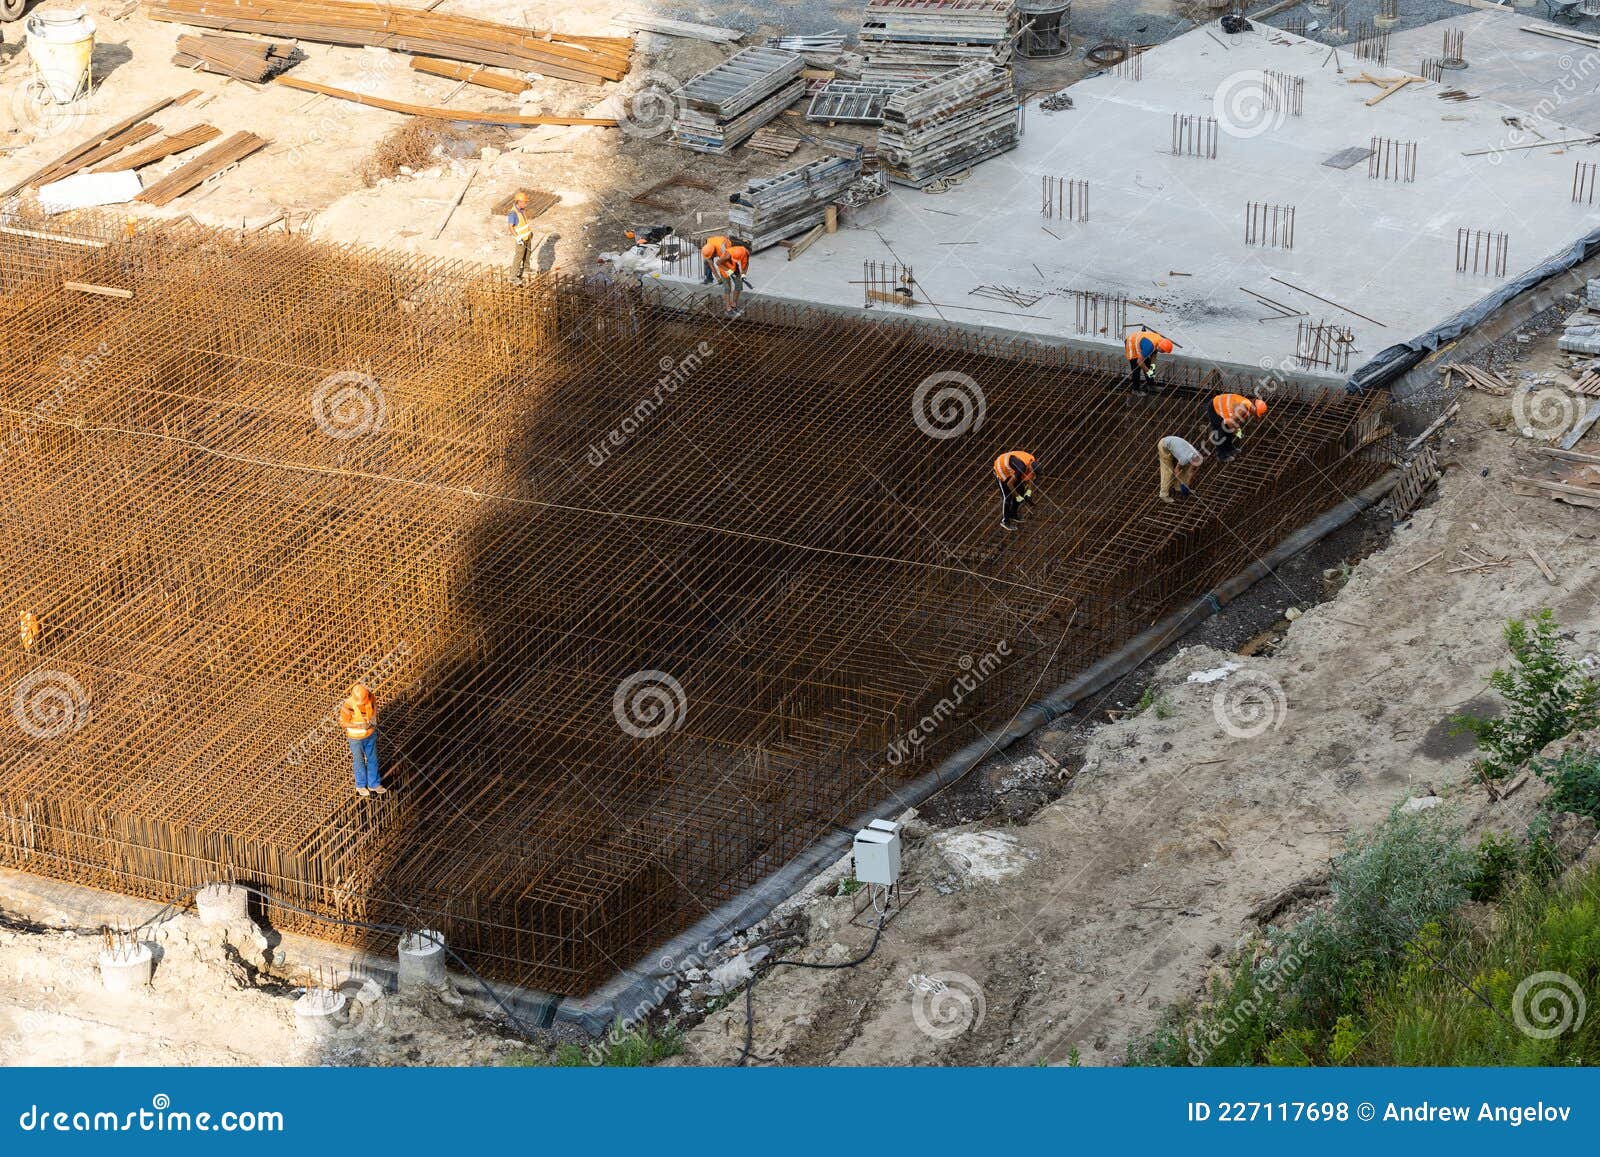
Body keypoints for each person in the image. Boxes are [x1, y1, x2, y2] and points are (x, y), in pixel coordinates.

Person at [338, 683, 387, 798]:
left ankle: (374, 784)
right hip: (355, 738)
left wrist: (373, 719)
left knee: (373, 759)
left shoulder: (370, 697)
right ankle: (360, 785)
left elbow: (374, 706)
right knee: (359, 761)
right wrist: (359, 726)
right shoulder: (348, 705)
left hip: (370, 734)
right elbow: (343, 723)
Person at [1207, 393, 1268, 462]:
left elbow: (1234, 420)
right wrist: (1238, 432)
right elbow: (1230, 422)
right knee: (1221, 432)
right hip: (1214, 408)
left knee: (1228, 429)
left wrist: (1236, 428)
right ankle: (1221, 455)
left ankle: (1229, 448)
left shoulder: (1248, 405)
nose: (1256, 416)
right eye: (1256, 414)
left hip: (1222, 405)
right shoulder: (1243, 409)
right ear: (1254, 408)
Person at [993, 450, 1037, 531]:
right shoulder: (1021, 468)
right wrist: (1017, 496)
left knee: (1021, 490)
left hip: (1012, 468)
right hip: (1001, 468)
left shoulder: (1032, 463)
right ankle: (1005, 521)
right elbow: (1009, 484)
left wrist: (1029, 492)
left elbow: (1031, 478)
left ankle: (1013, 514)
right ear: (1031, 468)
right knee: (1008, 497)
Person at [1124, 329, 1174, 393]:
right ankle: (1135, 389)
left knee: (1147, 364)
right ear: (1160, 347)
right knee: (1136, 368)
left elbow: (1154, 354)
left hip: (1141, 342)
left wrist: (1152, 368)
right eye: (1163, 351)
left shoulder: (1160, 341)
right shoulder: (1149, 346)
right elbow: (1139, 362)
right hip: (1131, 342)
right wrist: (1148, 371)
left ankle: (1151, 385)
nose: (1163, 352)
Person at [1157, 435, 1204, 503]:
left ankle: (1178, 487)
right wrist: (1182, 483)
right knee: (1168, 471)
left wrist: (1186, 484)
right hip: (1164, 445)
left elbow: (1190, 471)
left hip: (1175, 443)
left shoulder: (1196, 454)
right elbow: (1176, 470)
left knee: (1186, 468)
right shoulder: (1184, 458)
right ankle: (1163, 494)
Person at [506, 192, 537, 285]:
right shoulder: (513, 213)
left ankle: (527, 269)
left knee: (528, 253)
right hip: (520, 239)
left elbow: (524, 223)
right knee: (518, 257)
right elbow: (510, 227)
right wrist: (517, 237)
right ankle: (512, 277)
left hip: (527, 236)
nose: (526, 204)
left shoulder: (522, 210)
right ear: (519, 202)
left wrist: (529, 232)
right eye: (524, 202)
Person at [716, 241, 750, 315]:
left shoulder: (745, 252)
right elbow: (718, 263)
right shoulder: (727, 255)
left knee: (739, 285)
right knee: (727, 288)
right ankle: (728, 309)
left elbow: (746, 264)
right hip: (724, 268)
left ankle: (733, 305)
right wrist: (728, 271)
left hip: (734, 267)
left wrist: (744, 274)